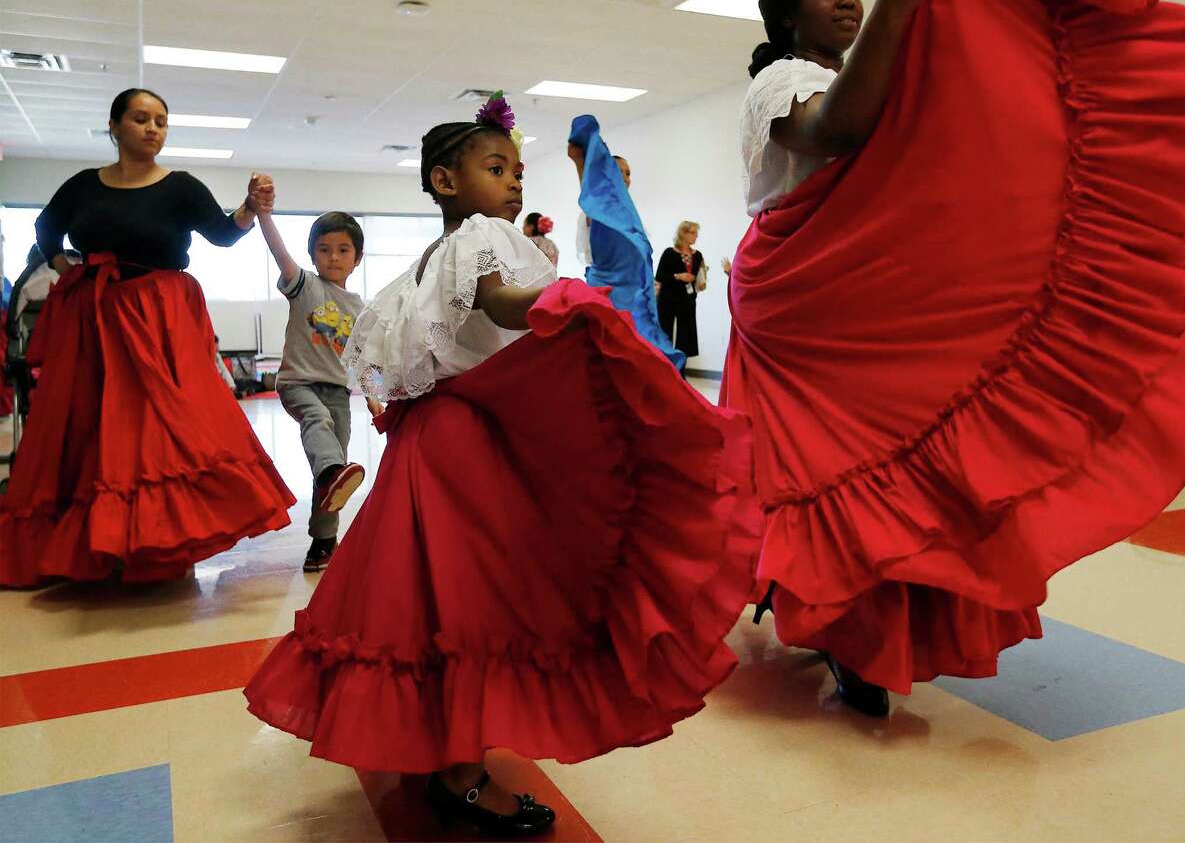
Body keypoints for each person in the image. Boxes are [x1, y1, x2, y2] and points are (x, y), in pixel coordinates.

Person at [244, 94, 759, 837]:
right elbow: (502, 303)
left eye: (517, 170)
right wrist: (562, 297)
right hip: (462, 448)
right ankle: (459, 771)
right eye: (496, 167)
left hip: (425, 442)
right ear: (446, 182)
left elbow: (424, 354)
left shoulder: (422, 263)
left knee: (422, 599)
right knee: (478, 600)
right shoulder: (480, 238)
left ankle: (438, 747)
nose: (515, 182)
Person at [723, 0, 1185, 717]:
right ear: (785, 16)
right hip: (802, 313)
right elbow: (833, 132)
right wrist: (902, 0)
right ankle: (842, 623)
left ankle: (855, 624)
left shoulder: (853, 75)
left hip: (846, 302)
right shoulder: (781, 80)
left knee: (888, 462)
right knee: (841, 466)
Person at [0, 87, 295, 587]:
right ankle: (95, 541)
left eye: (161, 120)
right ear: (114, 127)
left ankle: (155, 539)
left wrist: (249, 207)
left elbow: (223, 235)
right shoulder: (82, 186)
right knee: (95, 420)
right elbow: (46, 228)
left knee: (160, 425)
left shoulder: (180, 187)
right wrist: (58, 264)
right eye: (141, 118)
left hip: (160, 318)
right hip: (95, 318)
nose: (153, 128)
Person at [260, 210, 379, 573]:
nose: (333, 257)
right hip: (298, 383)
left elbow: (360, 358)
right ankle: (331, 474)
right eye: (324, 249)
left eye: (344, 250)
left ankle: (323, 541)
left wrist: (374, 397)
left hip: (338, 392)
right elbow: (278, 253)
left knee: (330, 472)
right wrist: (263, 214)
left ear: (356, 259)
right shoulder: (305, 285)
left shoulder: (360, 308)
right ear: (312, 255)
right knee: (318, 423)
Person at [568, 119, 685, 369]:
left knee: (644, 357)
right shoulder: (599, 210)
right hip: (611, 291)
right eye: (617, 171)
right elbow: (592, 197)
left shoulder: (630, 215)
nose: (624, 178)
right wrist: (582, 161)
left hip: (636, 293)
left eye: (628, 173)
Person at [655, 221, 707, 359]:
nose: (696, 236)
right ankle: (665, 372)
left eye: (697, 233)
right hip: (667, 301)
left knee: (685, 339)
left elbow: (699, 276)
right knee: (665, 336)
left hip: (687, 301)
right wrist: (678, 276)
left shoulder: (698, 255)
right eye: (693, 233)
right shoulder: (669, 253)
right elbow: (659, 276)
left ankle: (680, 373)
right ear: (683, 234)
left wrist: (701, 284)